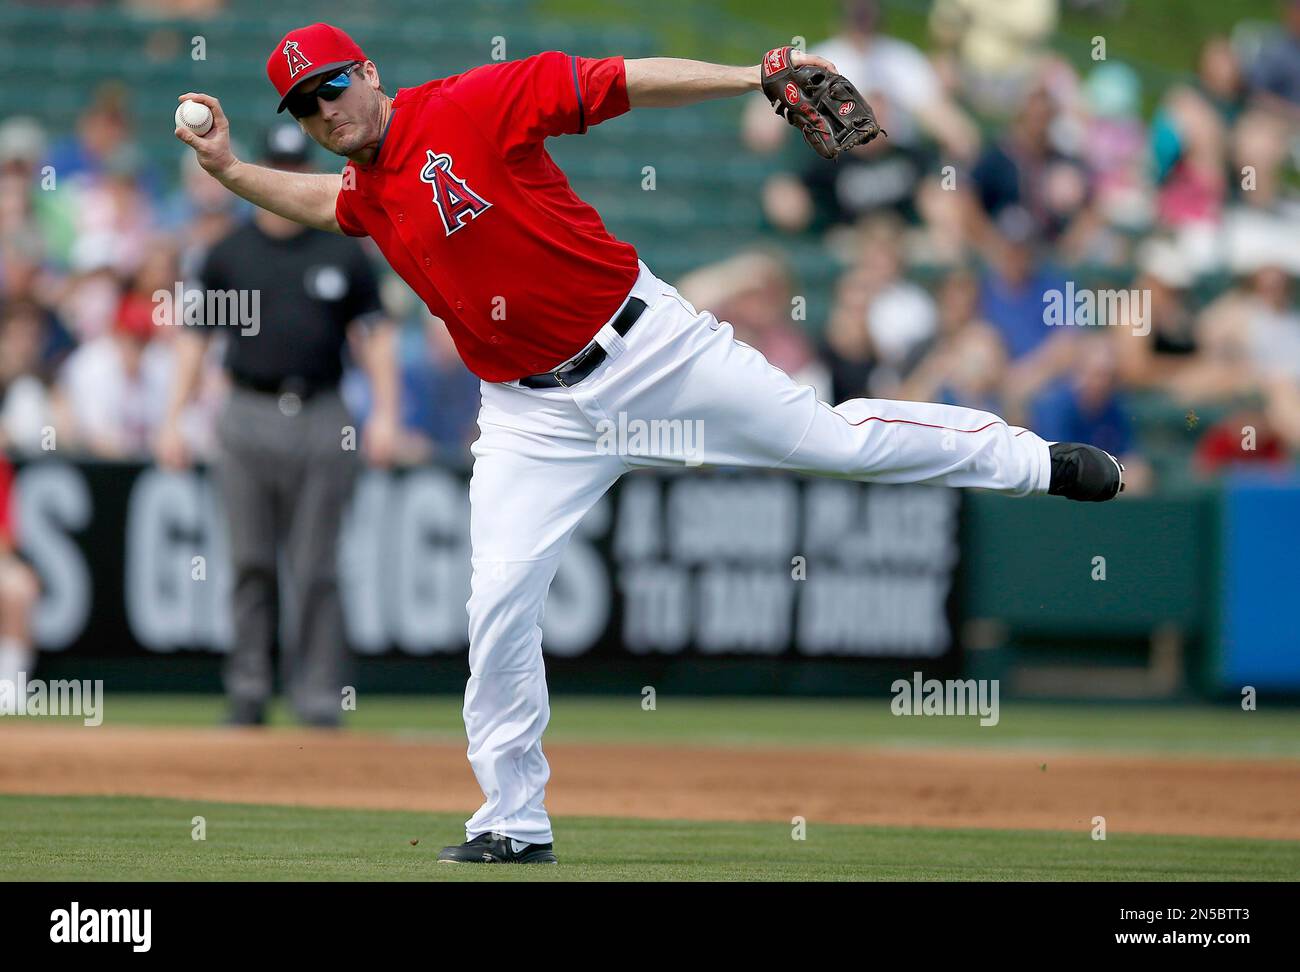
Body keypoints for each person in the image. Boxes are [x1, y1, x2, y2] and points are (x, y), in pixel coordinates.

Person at [174, 23, 1124, 864]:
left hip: (645, 349)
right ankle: (513, 820)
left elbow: (623, 82)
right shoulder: (368, 187)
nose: (324, 109)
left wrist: (752, 76)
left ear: (367, 73)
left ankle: (1034, 462)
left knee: (833, 443)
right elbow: (322, 203)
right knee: (498, 603)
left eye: (331, 85)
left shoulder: (472, 102)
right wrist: (225, 170)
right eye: (305, 103)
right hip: (528, 414)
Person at [156, 122, 399, 728]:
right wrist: (172, 418)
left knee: (317, 565)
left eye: (297, 168)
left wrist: (387, 415)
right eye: (279, 167)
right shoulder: (228, 251)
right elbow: (194, 341)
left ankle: (318, 696)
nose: (288, 179)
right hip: (246, 412)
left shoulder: (342, 248)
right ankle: (248, 690)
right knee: (250, 562)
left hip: (323, 412)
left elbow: (375, 338)